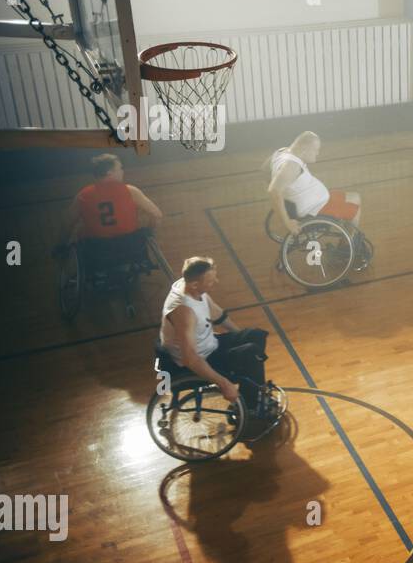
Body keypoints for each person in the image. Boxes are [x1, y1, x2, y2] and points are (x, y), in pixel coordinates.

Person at [159, 256, 274, 418]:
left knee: (256, 335)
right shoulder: (184, 311)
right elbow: (190, 359)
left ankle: (253, 390)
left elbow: (217, 314)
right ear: (194, 284)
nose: (217, 282)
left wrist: (241, 336)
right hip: (200, 358)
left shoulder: (190, 287)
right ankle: (250, 409)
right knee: (250, 354)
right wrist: (224, 383)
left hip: (209, 343)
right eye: (211, 281)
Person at [265, 131, 371, 269]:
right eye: (315, 150)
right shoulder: (290, 166)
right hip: (315, 208)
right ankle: (346, 248)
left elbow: (264, 170)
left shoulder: (281, 152)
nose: (317, 154)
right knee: (355, 210)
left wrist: (288, 192)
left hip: (315, 200)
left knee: (356, 196)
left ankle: (347, 242)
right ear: (304, 149)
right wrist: (287, 222)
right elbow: (273, 191)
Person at [57, 153, 163, 267]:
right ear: (109, 172)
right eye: (120, 168)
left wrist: (61, 246)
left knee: (80, 235)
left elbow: (67, 224)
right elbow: (157, 215)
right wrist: (149, 231)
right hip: (130, 249)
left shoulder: (82, 195)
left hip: (97, 252)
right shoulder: (130, 191)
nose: (123, 171)